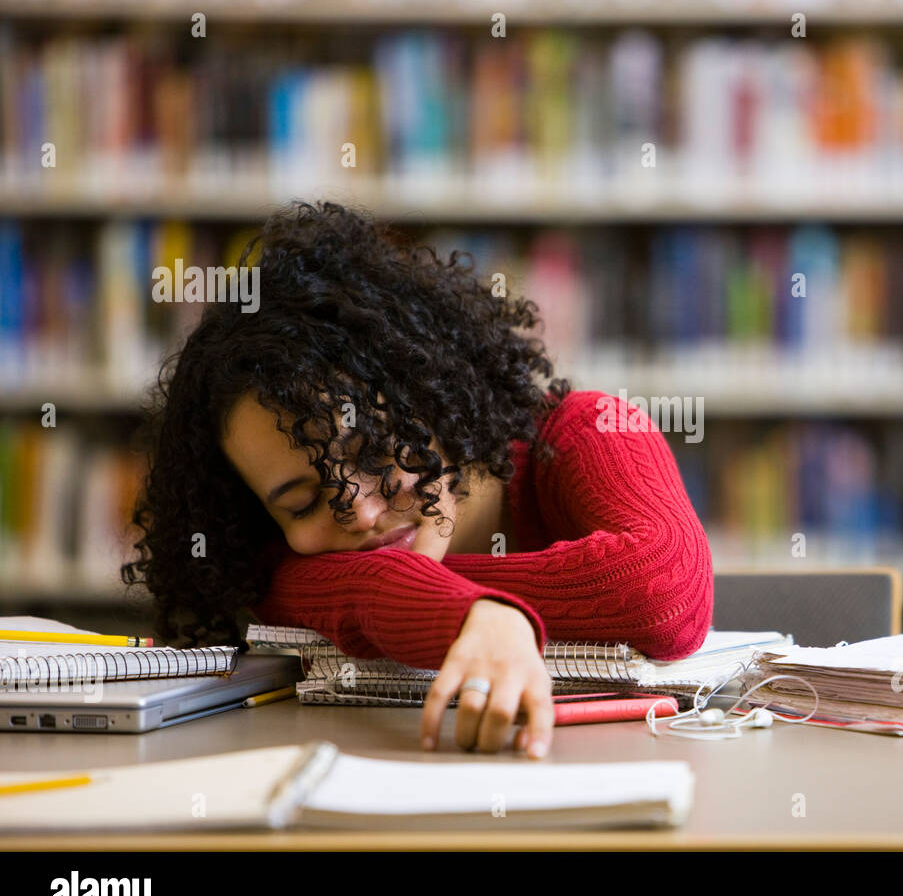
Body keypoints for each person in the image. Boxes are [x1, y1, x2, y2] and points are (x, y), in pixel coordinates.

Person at [123, 202, 713, 759]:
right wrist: (473, 617)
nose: (360, 514)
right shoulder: (282, 563)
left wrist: (472, 608)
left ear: (438, 393)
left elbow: (663, 592)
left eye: (378, 453)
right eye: (302, 504)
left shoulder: (587, 430)